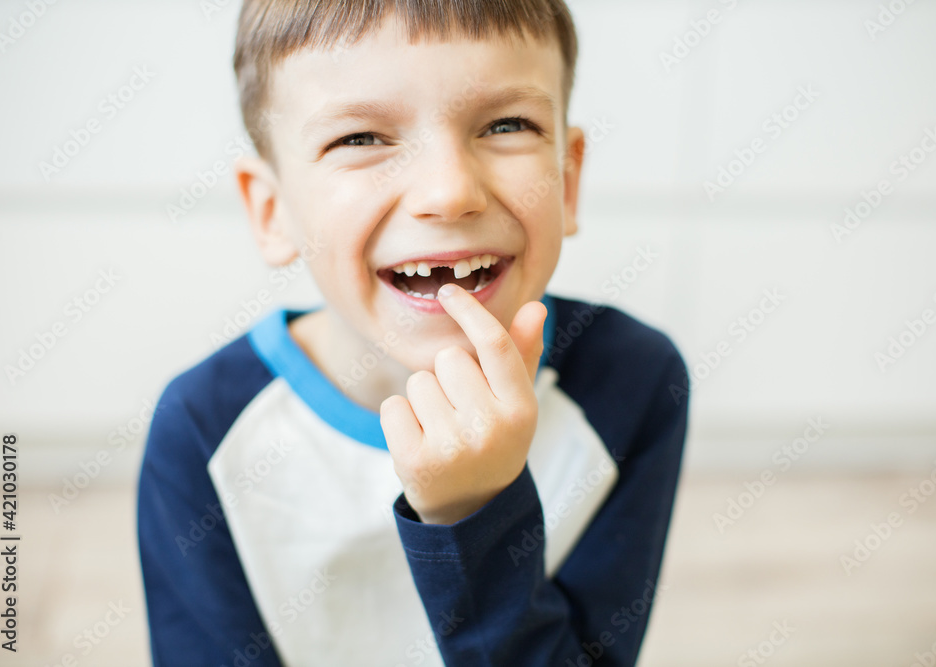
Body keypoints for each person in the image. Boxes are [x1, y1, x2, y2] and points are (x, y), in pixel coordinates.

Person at [137, 1, 689, 665]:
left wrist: (476, 515)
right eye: (361, 139)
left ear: (567, 179)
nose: (450, 191)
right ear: (272, 208)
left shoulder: (632, 385)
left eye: (507, 124)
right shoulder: (202, 431)